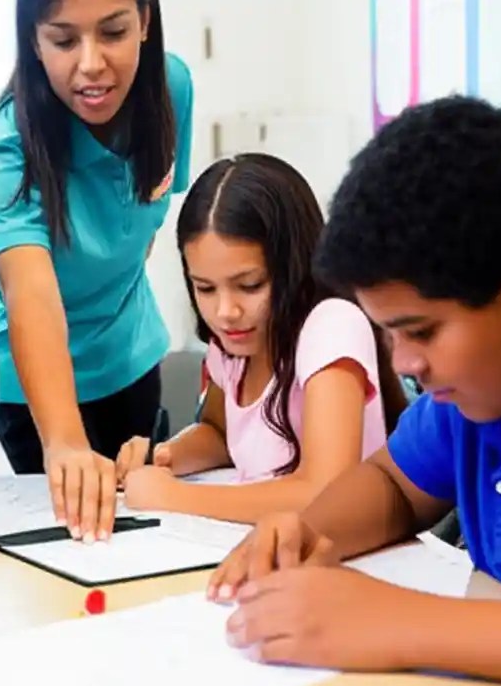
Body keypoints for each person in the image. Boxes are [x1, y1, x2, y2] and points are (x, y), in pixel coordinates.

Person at [207, 97, 501, 686]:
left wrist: (402, 623)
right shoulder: (488, 376)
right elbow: (391, 483)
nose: (404, 363)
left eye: (422, 331)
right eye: (388, 332)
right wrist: (307, 533)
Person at [0, 0, 194, 542]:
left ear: (144, 21)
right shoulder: (5, 147)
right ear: (34, 42)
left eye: (113, 32)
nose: (92, 63)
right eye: (65, 41)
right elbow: (31, 295)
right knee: (76, 541)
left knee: (145, 536)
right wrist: (64, 441)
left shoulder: (171, 87)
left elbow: (143, 224)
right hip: (38, 383)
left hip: (129, 353)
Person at [115, 154, 405, 522]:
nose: (225, 311)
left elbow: (326, 490)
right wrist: (166, 457)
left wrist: (174, 496)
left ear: (295, 265)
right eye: (204, 288)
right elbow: (221, 435)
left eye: (249, 286)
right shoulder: (232, 343)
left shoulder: (332, 326)